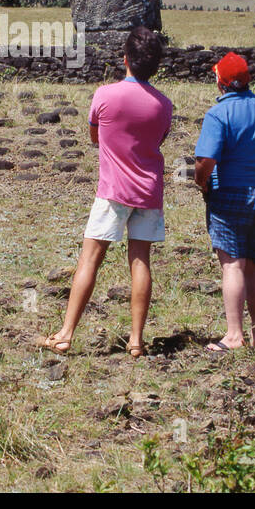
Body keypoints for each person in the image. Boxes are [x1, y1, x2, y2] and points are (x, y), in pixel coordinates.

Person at [39, 26, 172, 358]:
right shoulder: (164, 105)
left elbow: (94, 137)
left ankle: (66, 333)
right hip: (149, 191)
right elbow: (157, 142)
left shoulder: (104, 95)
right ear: (155, 65)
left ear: (124, 59)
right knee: (140, 262)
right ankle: (137, 341)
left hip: (113, 189)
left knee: (90, 259)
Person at [194, 51, 255, 352]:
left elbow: (206, 159)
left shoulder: (218, 114)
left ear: (220, 82)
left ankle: (233, 336)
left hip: (229, 193)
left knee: (232, 266)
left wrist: (202, 182)